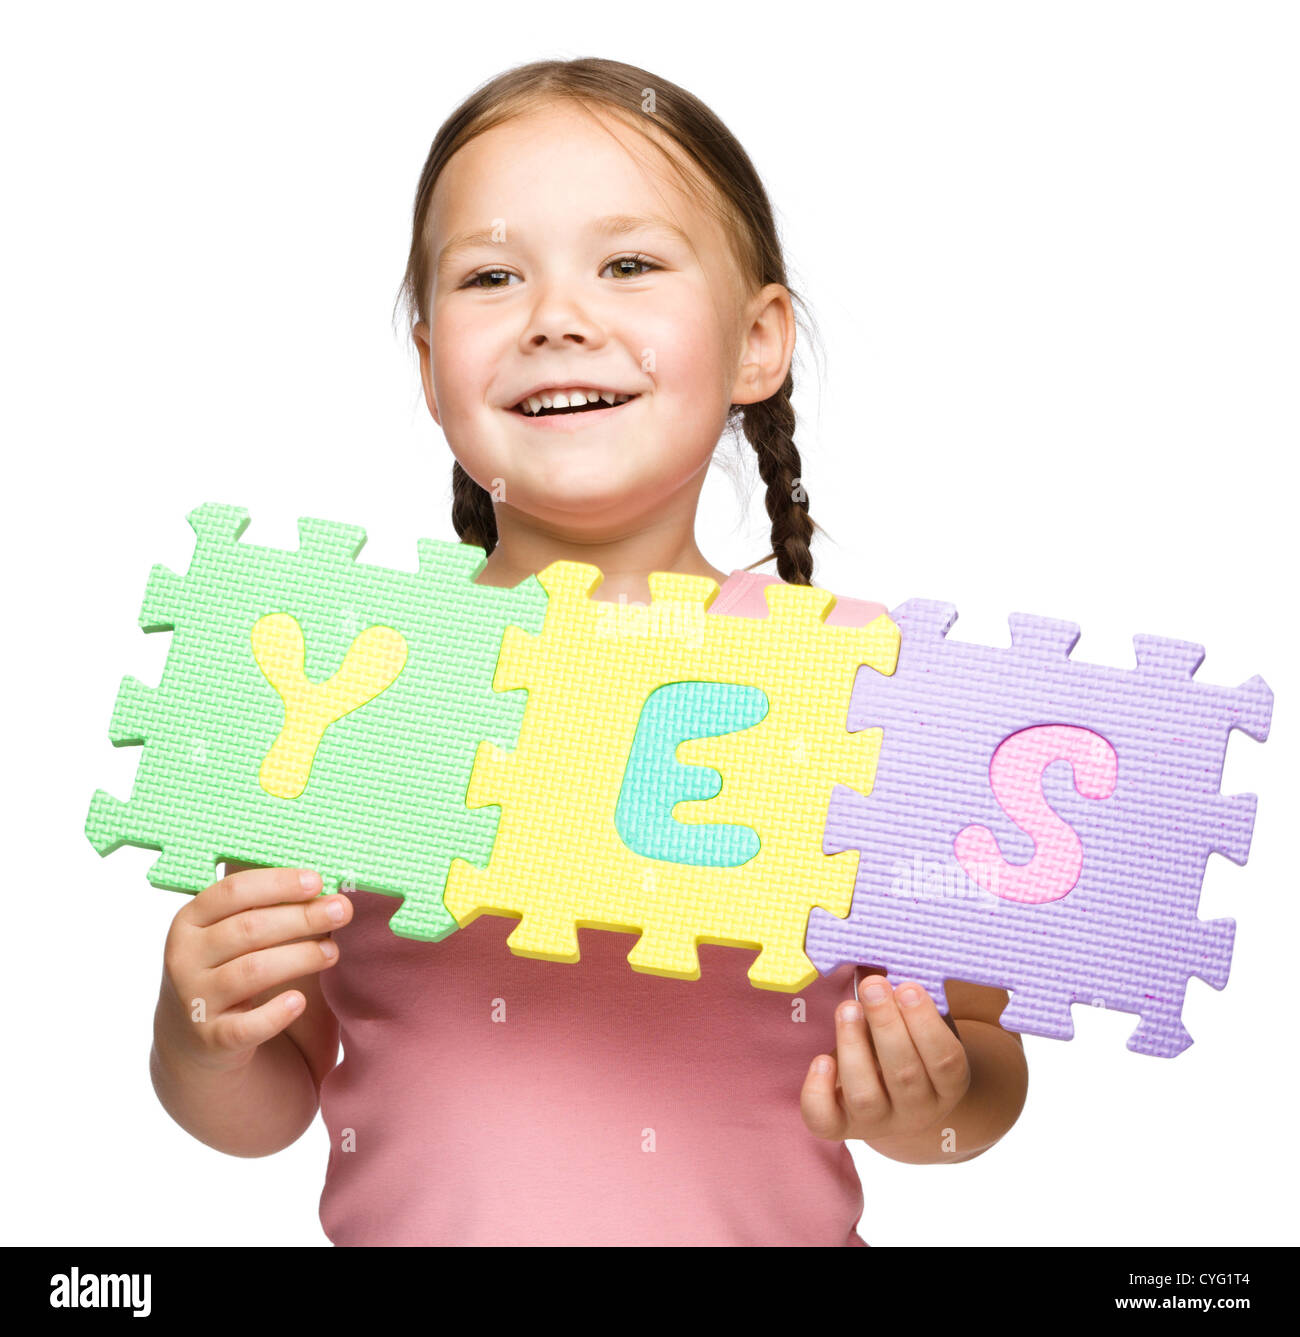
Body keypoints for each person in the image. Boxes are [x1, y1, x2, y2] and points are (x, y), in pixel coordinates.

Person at [149, 57, 1028, 1246]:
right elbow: (265, 1107)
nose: (555, 315)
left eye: (627, 264)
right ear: (428, 367)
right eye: (492, 276)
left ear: (758, 343)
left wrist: (928, 1093)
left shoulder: (867, 686)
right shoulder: (344, 678)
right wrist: (196, 1025)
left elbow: (978, 1095)